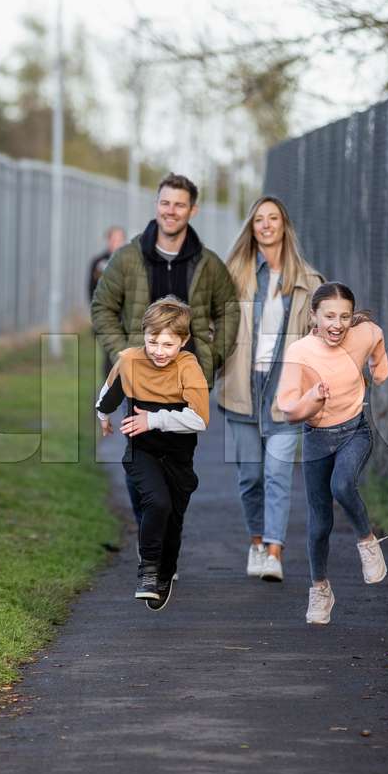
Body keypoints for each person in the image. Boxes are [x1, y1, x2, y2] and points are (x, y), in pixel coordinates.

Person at [218, 196, 324, 583]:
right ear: (251, 227)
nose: (265, 225)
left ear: (284, 225)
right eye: (259, 219)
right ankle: (258, 542)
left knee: (278, 471)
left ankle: (275, 551)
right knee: (251, 475)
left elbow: (325, 332)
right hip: (242, 386)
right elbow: (211, 326)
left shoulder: (308, 281)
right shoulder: (232, 275)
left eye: (273, 218)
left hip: (286, 390)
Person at [276, 282, 388, 625]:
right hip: (315, 439)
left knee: (343, 485)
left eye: (344, 316)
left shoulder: (363, 333)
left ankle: (367, 541)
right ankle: (320, 587)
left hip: (355, 432)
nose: (337, 324)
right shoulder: (299, 352)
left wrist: (378, 369)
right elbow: (288, 409)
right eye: (329, 316)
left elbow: (377, 336)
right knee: (319, 523)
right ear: (314, 316)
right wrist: (310, 399)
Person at [95, 297, 210, 611]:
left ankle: (164, 572)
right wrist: (103, 416)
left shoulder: (189, 368)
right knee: (156, 502)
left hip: (178, 459)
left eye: (168, 344)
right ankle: (147, 572)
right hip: (141, 452)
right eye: (153, 341)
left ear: (183, 342)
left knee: (172, 520)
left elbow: (199, 419)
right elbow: (110, 390)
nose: (159, 351)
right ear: (143, 335)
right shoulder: (131, 361)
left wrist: (153, 418)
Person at [90, 173, 239, 388]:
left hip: (188, 385)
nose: (170, 211)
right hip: (138, 383)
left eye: (179, 205)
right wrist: (123, 355)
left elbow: (229, 310)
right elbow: (102, 307)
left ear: (192, 210)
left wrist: (212, 356)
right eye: (165, 203)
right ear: (156, 205)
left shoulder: (209, 263)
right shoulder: (127, 257)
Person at [88, 226, 126, 376]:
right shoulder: (99, 262)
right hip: (106, 317)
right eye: (113, 239)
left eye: (120, 239)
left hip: (124, 318)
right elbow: (91, 290)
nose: (116, 243)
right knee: (109, 354)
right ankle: (108, 388)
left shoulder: (130, 262)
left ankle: (123, 389)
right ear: (108, 240)